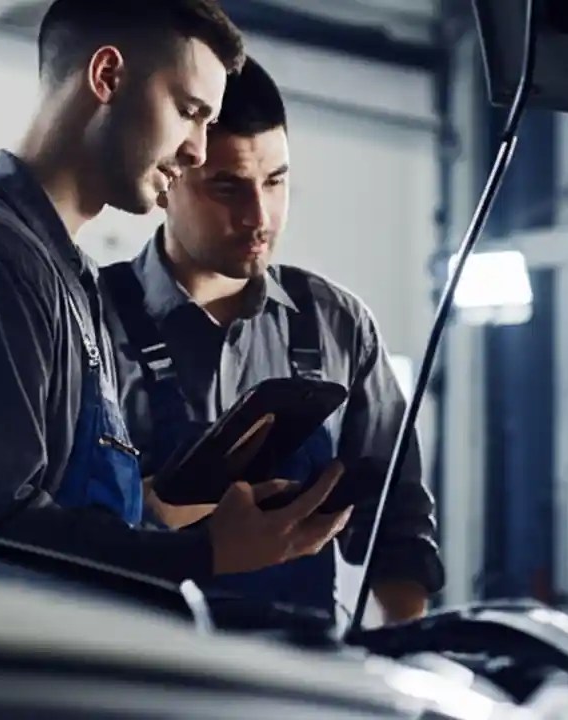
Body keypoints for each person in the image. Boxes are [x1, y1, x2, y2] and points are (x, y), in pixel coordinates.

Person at [0, 0, 353, 586]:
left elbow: (61, 503)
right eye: (190, 112)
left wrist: (161, 510)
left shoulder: (68, 275)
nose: (197, 149)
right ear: (107, 77)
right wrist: (204, 556)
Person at [98, 57, 444, 623]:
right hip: (145, 673)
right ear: (166, 180)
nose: (260, 216)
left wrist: (402, 647)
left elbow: (394, 516)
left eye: (276, 182)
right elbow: (55, 530)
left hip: (299, 677)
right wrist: (155, 513)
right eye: (228, 187)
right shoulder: (90, 317)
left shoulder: (337, 325)